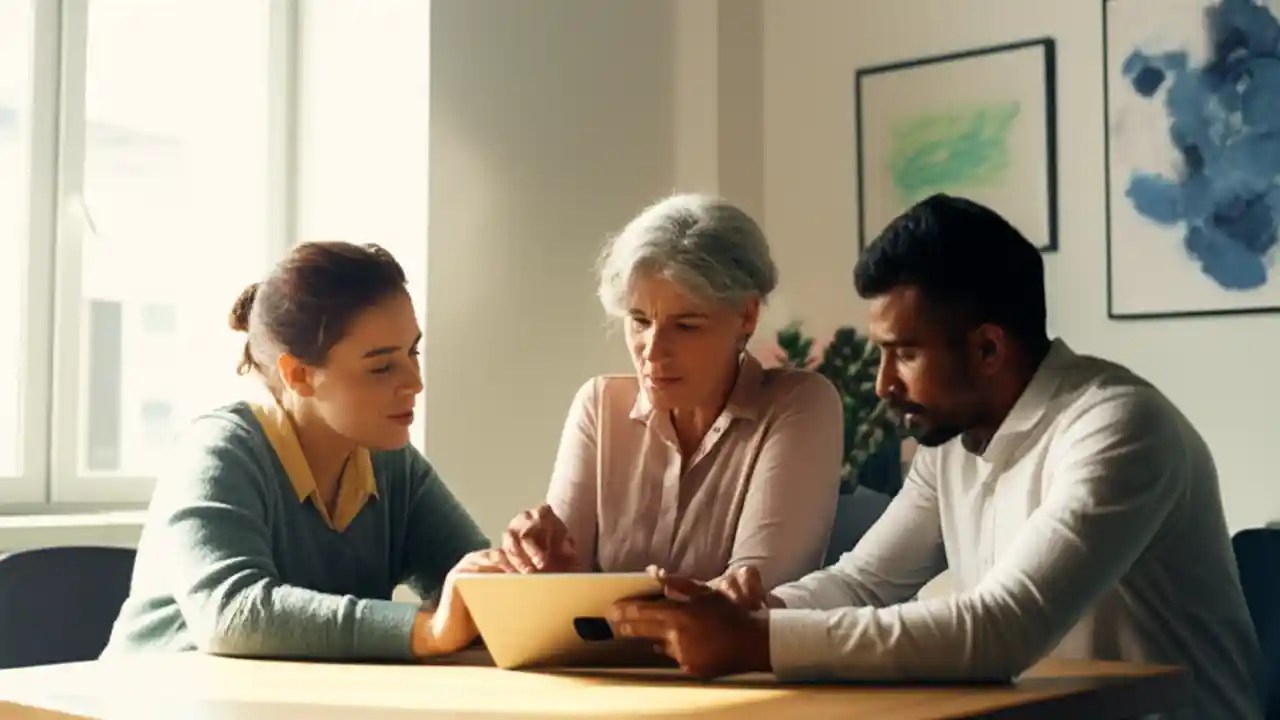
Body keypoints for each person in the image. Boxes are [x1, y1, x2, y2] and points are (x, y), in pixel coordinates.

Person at [606, 194, 1263, 719]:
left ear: (988, 349)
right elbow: (863, 582)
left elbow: (1002, 630)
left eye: (905, 354)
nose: (883, 384)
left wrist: (755, 641)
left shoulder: (1118, 427)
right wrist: (745, 611)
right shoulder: (953, 441)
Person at [104, 241, 510, 660]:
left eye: (413, 352)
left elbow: (474, 596)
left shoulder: (393, 466)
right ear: (298, 374)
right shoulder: (218, 451)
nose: (415, 382)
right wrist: (427, 631)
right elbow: (230, 617)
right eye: (382, 366)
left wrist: (528, 578)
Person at [502, 193, 843, 592]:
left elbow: (752, 598)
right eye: (640, 320)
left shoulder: (798, 404)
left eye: (686, 325)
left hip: (732, 658)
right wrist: (533, 561)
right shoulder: (599, 406)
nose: (653, 350)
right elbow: (554, 589)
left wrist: (593, 600)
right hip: (595, 658)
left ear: (747, 316)